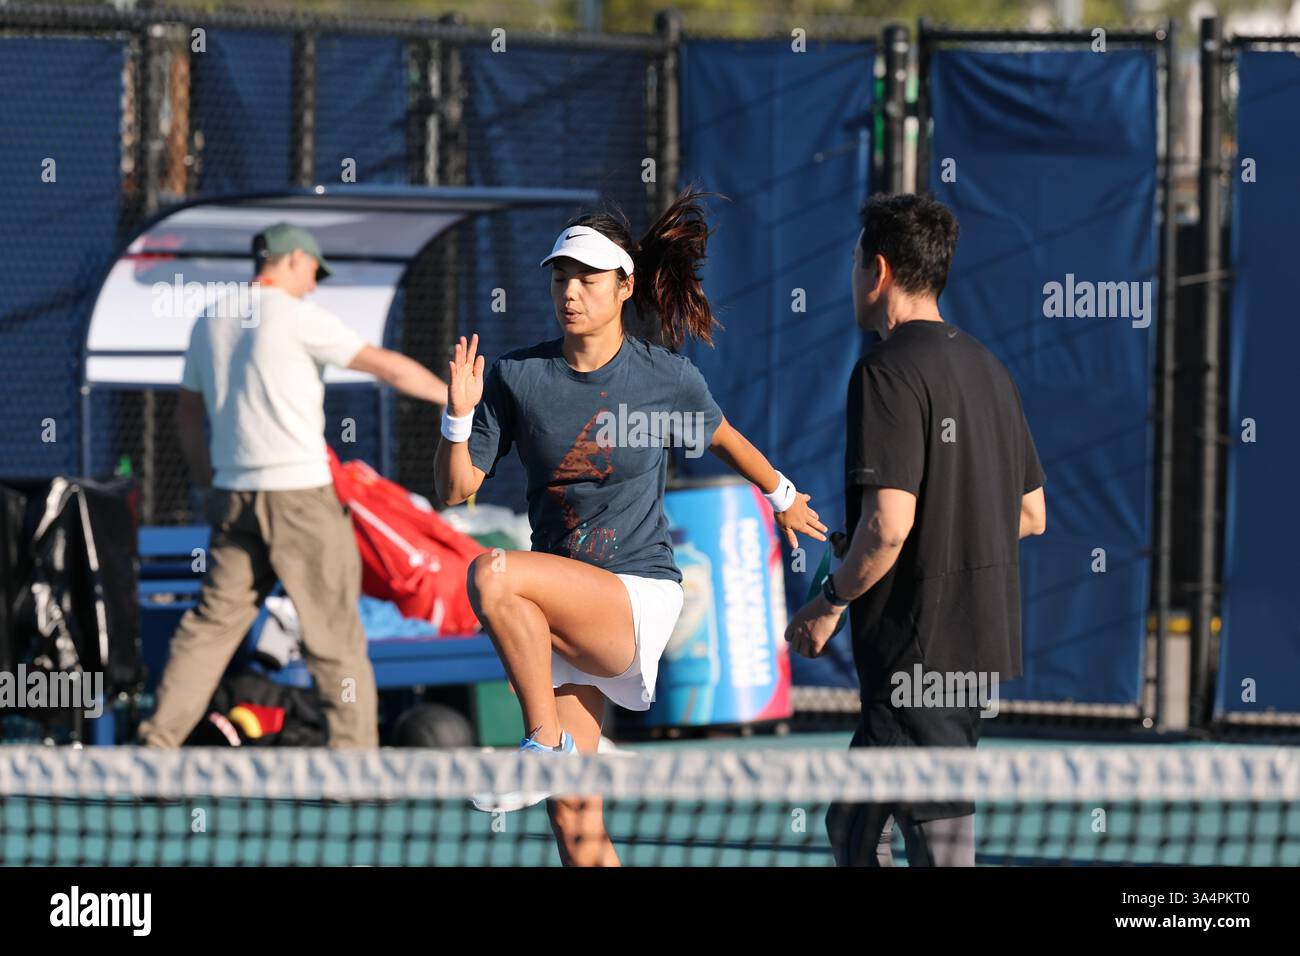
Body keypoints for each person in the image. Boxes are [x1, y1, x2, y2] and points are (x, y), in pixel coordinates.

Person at [434, 188, 828, 866]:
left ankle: (542, 746)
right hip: (563, 608)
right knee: (577, 829)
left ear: (625, 286)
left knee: (491, 573)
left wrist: (783, 495)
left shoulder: (664, 378)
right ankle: (553, 756)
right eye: (561, 276)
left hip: (636, 596)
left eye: (587, 278)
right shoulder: (516, 378)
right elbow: (456, 491)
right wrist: (457, 417)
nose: (570, 291)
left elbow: (726, 438)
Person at [784, 193, 1047, 866]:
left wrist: (828, 604)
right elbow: (1028, 514)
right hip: (968, 644)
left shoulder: (885, 369)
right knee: (855, 828)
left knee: (937, 838)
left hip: (917, 653)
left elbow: (890, 527)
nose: (850, 279)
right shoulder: (990, 369)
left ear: (877, 271)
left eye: (853, 264)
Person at [139, 222, 449, 749]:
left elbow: (187, 416)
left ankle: (155, 749)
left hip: (233, 499)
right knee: (335, 637)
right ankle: (353, 767)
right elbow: (390, 368)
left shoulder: (210, 318)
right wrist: (456, 399)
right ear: (291, 259)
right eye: (312, 270)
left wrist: (208, 483)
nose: (314, 282)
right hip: (301, 497)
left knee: (211, 628)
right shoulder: (298, 316)